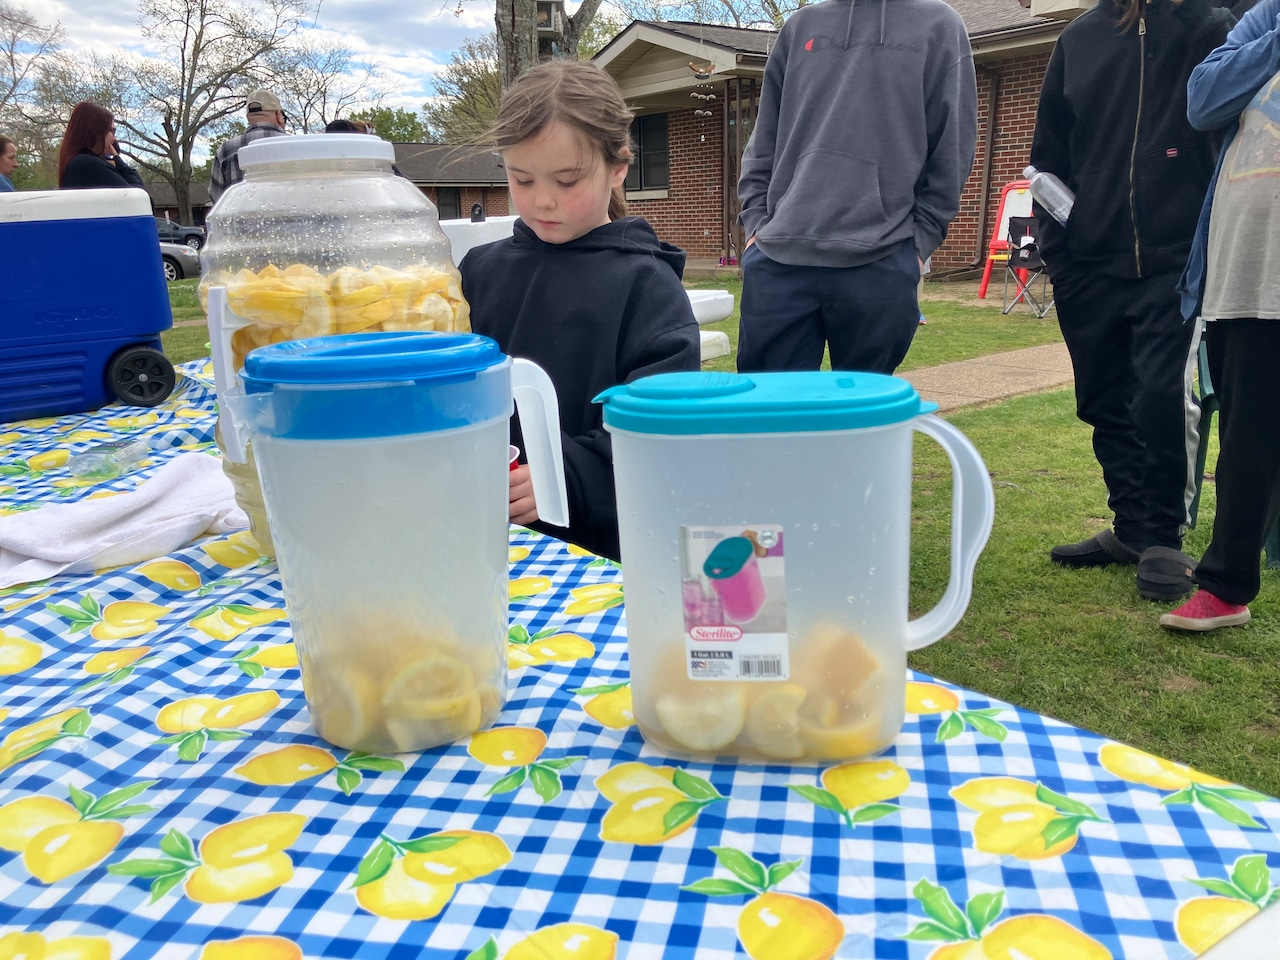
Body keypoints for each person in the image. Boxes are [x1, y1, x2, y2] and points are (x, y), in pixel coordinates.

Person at [1029, 0, 1234, 601]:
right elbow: (1049, 157)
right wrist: (1061, 257)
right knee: (1101, 398)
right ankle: (1130, 529)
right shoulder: (1079, 38)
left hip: (1172, 264)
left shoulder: (1207, 28)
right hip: (1088, 263)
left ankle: (1164, 537)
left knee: (1159, 396)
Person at [460, 61, 701, 562]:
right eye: (521, 179)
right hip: (475, 537)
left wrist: (560, 478)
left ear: (617, 166)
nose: (543, 199)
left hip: (596, 553)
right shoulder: (478, 271)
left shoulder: (646, 285)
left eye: (567, 180)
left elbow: (662, 434)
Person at [735, 0, 977, 375]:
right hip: (779, 259)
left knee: (866, 426)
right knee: (773, 423)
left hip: (882, 260)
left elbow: (953, 146)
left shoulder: (938, 25)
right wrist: (754, 226)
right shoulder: (800, 27)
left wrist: (919, 242)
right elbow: (762, 140)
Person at [1161, 0, 1280, 631]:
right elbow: (1204, 99)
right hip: (1246, 269)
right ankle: (1228, 587)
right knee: (1246, 439)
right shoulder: (1266, 17)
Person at [210, 89, 288, 204]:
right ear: (278, 115)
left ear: (248, 117)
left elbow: (217, 198)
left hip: (241, 220)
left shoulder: (225, 150)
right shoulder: (295, 145)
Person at [57, 103, 146, 190]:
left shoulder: (79, 163)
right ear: (96, 131)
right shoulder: (87, 164)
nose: (114, 138)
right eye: (112, 130)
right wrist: (120, 164)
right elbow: (140, 197)